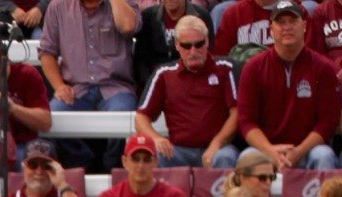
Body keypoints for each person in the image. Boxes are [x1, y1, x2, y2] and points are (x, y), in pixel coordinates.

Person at [236, 0, 339, 171]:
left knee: (324, 155)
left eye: (293, 21)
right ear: (271, 29)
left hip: (307, 150)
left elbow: (328, 122)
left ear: (304, 25)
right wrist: (269, 150)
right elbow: (246, 121)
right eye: (281, 22)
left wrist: (298, 152)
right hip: (265, 149)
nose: (287, 27)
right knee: (246, 158)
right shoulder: (253, 68)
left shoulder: (323, 68)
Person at [40, 0, 141, 167]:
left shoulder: (125, 3)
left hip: (116, 87)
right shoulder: (58, 6)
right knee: (51, 118)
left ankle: (112, 167)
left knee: (124, 115)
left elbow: (129, 26)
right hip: (76, 88)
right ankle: (83, 163)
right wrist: (59, 86)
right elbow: (47, 52)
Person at [135, 15, 241, 169]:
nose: (193, 51)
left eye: (199, 44)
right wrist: (157, 139)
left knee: (225, 157)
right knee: (157, 155)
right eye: (186, 46)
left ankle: (225, 194)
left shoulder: (226, 68)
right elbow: (141, 117)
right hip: (178, 150)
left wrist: (217, 143)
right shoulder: (164, 74)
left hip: (219, 147)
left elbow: (237, 113)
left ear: (207, 42)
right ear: (177, 45)